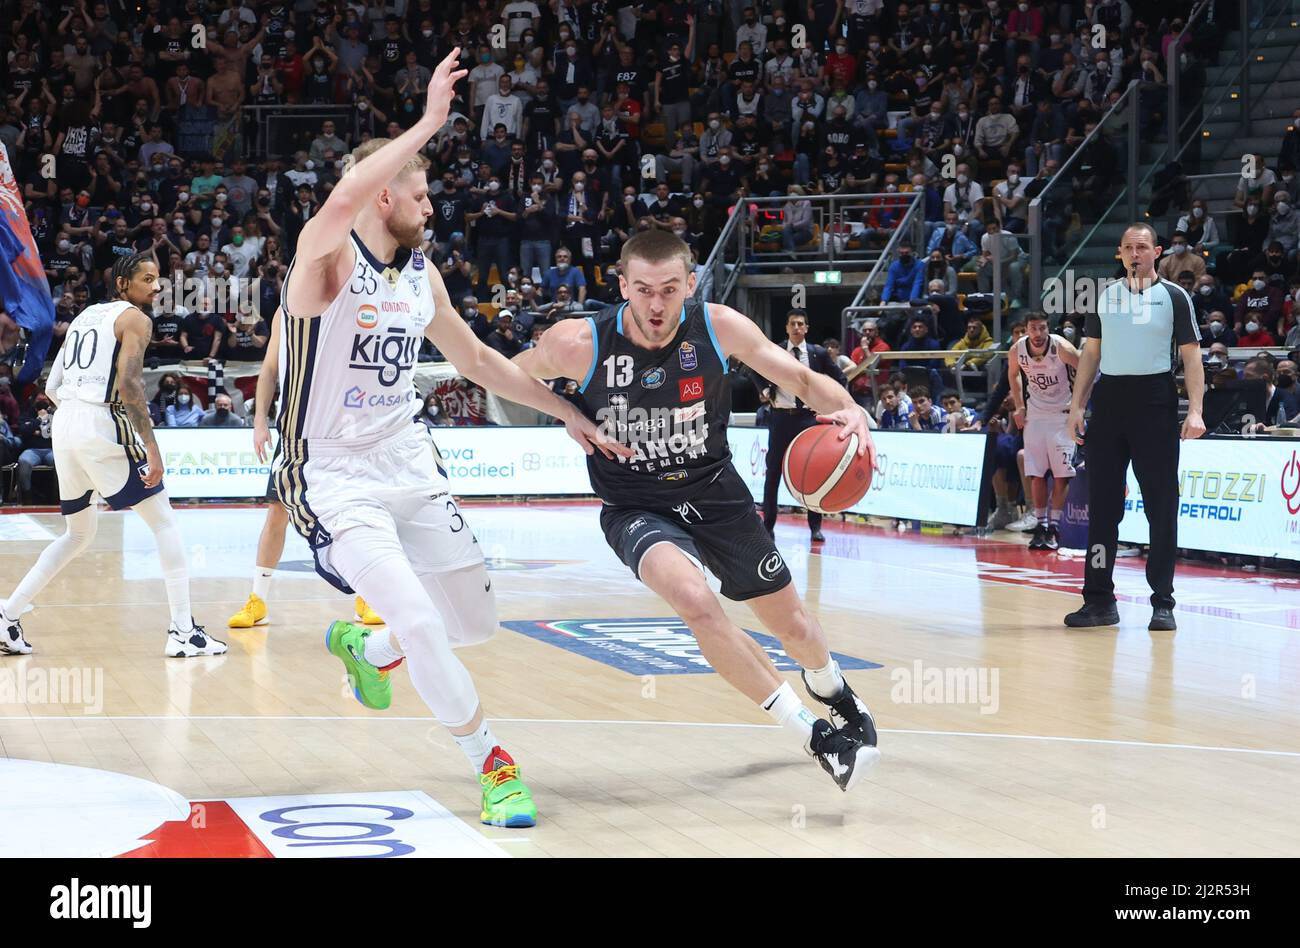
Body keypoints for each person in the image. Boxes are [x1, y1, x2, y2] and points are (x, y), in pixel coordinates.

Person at [274, 50, 621, 829]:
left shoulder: (421, 276)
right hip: (330, 474)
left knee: (472, 625)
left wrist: (565, 410)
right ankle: (492, 764)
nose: (432, 205)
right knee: (425, 624)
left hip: (409, 461)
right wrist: (429, 121)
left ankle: (371, 651)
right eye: (421, 191)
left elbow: (479, 361)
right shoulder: (323, 265)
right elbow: (342, 196)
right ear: (385, 193)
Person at [514, 230, 880, 792]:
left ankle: (831, 688)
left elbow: (800, 379)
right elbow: (506, 371)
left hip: (715, 491)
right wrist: (563, 409)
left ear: (690, 284)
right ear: (622, 286)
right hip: (635, 503)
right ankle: (812, 734)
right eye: (642, 290)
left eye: (668, 289)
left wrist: (849, 406)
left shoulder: (718, 326)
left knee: (796, 628)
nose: (656, 305)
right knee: (694, 601)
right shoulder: (578, 343)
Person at [2, 253, 224, 658]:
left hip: (66, 420)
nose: (156, 287)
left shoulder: (87, 316)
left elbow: (53, 383)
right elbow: (130, 384)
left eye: (158, 280)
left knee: (78, 534)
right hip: (98, 421)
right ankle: (183, 631)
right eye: (147, 279)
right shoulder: (136, 320)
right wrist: (151, 448)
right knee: (164, 523)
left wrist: (76, 417)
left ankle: (8, 615)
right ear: (123, 284)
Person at [1066, 223, 1206, 631]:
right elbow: (1090, 356)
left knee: (1161, 508)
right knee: (1103, 510)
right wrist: (1078, 405)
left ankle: (1163, 602)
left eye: (1142, 247)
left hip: (1155, 402)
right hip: (1109, 404)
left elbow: (1193, 359)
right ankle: (1098, 601)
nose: (1134, 253)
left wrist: (1194, 410)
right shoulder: (1105, 298)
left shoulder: (1175, 297)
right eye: (1128, 247)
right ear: (1120, 254)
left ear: (1157, 251)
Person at [228, 310, 385, 630]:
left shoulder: (353, 303)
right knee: (276, 513)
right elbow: (269, 369)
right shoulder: (286, 312)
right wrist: (260, 421)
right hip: (296, 431)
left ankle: (366, 595)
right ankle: (257, 601)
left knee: (354, 514)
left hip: (343, 427)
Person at [752, 310, 848, 542]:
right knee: (773, 472)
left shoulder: (818, 354)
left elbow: (840, 379)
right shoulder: (775, 351)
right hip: (781, 417)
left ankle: (815, 526)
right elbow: (752, 368)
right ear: (786, 328)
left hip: (808, 418)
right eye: (792, 324)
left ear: (806, 328)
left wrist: (828, 404)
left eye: (800, 324)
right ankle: (768, 526)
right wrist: (765, 390)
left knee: (814, 472)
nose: (796, 327)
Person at [1008, 312, 1080, 551]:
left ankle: (1055, 527)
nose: (1038, 334)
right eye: (1033, 329)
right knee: (1036, 474)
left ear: (1048, 328)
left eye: (1042, 328)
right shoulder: (1017, 349)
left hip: (1062, 416)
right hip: (1035, 416)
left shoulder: (1061, 347)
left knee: (1061, 475)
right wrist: (1019, 406)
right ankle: (1041, 524)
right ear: (1026, 330)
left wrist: (1079, 404)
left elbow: (1088, 370)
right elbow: (1013, 374)